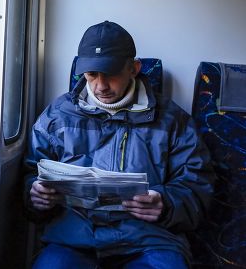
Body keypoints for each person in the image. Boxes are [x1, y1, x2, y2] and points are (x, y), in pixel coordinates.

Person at [24, 21, 214, 268]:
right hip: (72, 239)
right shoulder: (56, 117)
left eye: (111, 74)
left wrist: (166, 204)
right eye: (91, 75)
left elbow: (198, 185)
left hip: (150, 240)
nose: (100, 86)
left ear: (133, 69)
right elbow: (32, 174)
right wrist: (36, 196)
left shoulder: (172, 121)